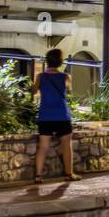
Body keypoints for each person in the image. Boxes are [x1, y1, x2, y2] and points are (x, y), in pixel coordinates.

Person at [31, 48, 78, 182]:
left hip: (45, 116)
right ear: (60, 62)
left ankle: (38, 176)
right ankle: (69, 174)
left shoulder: (40, 76)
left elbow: (34, 91)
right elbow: (68, 89)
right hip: (62, 115)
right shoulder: (66, 77)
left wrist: (35, 85)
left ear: (47, 61)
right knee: (66, 146)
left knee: (43, 147)